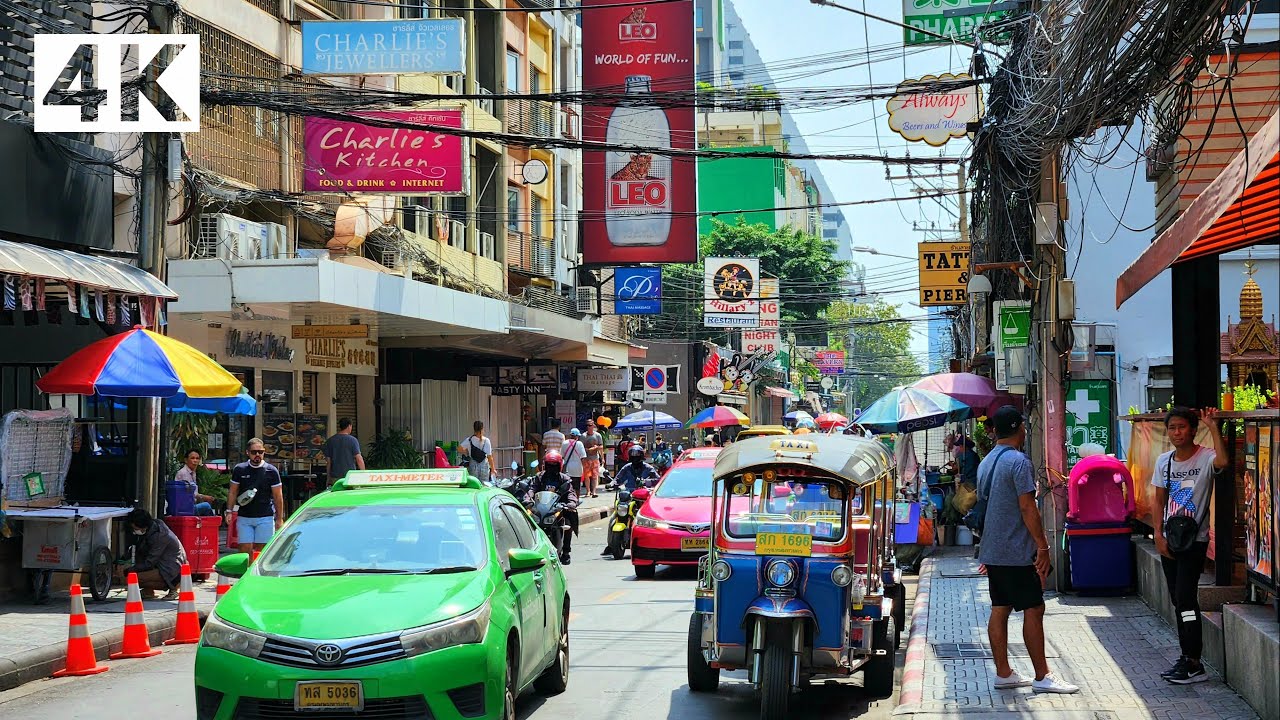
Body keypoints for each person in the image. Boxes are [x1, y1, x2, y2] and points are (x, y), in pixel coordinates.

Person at [976, 406, 1079, 694]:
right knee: (1034, 608)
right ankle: (1042, 676)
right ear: (1020, 427)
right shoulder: (1019, 462)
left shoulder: (987, 462)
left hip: (993, 551)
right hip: (1016, 551)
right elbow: (1027, 506)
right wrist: (1042, 546)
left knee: (1000, 608)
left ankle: (1004, 673)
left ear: (996, 430)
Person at [1152, 406, 1227, 684]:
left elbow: (1223, 462)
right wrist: (1158, 535)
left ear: (1193, 430)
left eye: (1182, 427)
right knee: (1178, 600)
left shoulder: (1206, 457)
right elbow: (1158, 500)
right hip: (1170, 540)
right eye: (1172, 428)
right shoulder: (1164, 461)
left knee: (1185, 599)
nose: (1177, 433)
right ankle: (1187, 657)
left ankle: (1194, 663)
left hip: (1194, 541)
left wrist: (1213, 426)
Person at [229, 438, 285, 553]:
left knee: (262, 552)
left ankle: (259, 571)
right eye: (254, 452)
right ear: (247, 453)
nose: (258, 455)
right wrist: (229, 511)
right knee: (245, 550)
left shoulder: (272, 471)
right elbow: (233, 492)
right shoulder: (240, 469)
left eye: (261, 452)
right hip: (244, 517)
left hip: (265, 517)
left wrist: (279, 519)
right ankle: (246, 570)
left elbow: (278, 496)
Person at [527, 451, 579, 564]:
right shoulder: (540, 477)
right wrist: (527, 499)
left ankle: (566, 552)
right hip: (541, 508)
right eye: (549, 465)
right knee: (526, 520)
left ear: (559, 465)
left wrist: (571, 503)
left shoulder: (564, 479)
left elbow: (570, 492)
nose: (552, 467)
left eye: (554, 465)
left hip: (559, 508)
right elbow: (532, 489)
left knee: (568, 523)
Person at [126, 508, 187, 600]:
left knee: (131, 578)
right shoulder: (153, 529)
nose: (135, 531)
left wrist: (130, 570)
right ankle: (148, 590)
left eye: (136, 528)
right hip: (164, 564)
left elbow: (150, 562)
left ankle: (174, 585)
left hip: (171, 568)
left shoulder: (160, 536)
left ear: (144, 526)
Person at [322, 418, 365, 486]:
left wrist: (328, 478)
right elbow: (359, 459)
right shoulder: (353, 440)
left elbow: (328, 462)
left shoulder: (330, 441)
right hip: (350, 476)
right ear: (349, 426)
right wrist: (363, 474)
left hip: (335, 477)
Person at [174, 449, 215, 516]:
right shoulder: (183, 473)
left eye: (197, 458)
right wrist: (204, 497)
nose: (195, 461)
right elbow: (190, 493)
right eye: (192, 458)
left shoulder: (193, 473)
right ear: (186, 460)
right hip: (184, 508)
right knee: (206, 506)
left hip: (190, 506)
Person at [561, 428, 588, 497]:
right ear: (576, 436)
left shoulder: (564, 443)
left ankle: (568, 499)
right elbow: (583, 457)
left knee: (567, 486)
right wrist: (585, 468)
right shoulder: (579, 444)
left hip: (567, 468)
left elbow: (562, 456)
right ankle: (576, 500)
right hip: (577, 468)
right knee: (577, 487)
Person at [581, 420, 604, 498]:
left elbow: (601, 447)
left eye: (590, 425)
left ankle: (594, 491)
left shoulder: (598, 435)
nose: (589, 427)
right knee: (587, 476)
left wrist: (602, 457)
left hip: (595, 458)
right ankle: (588, 491)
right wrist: (588, 450)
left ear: (593, 426)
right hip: (586, 458)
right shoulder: (583, 436)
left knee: (595, 475)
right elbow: (581, 448)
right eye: (587, 425)